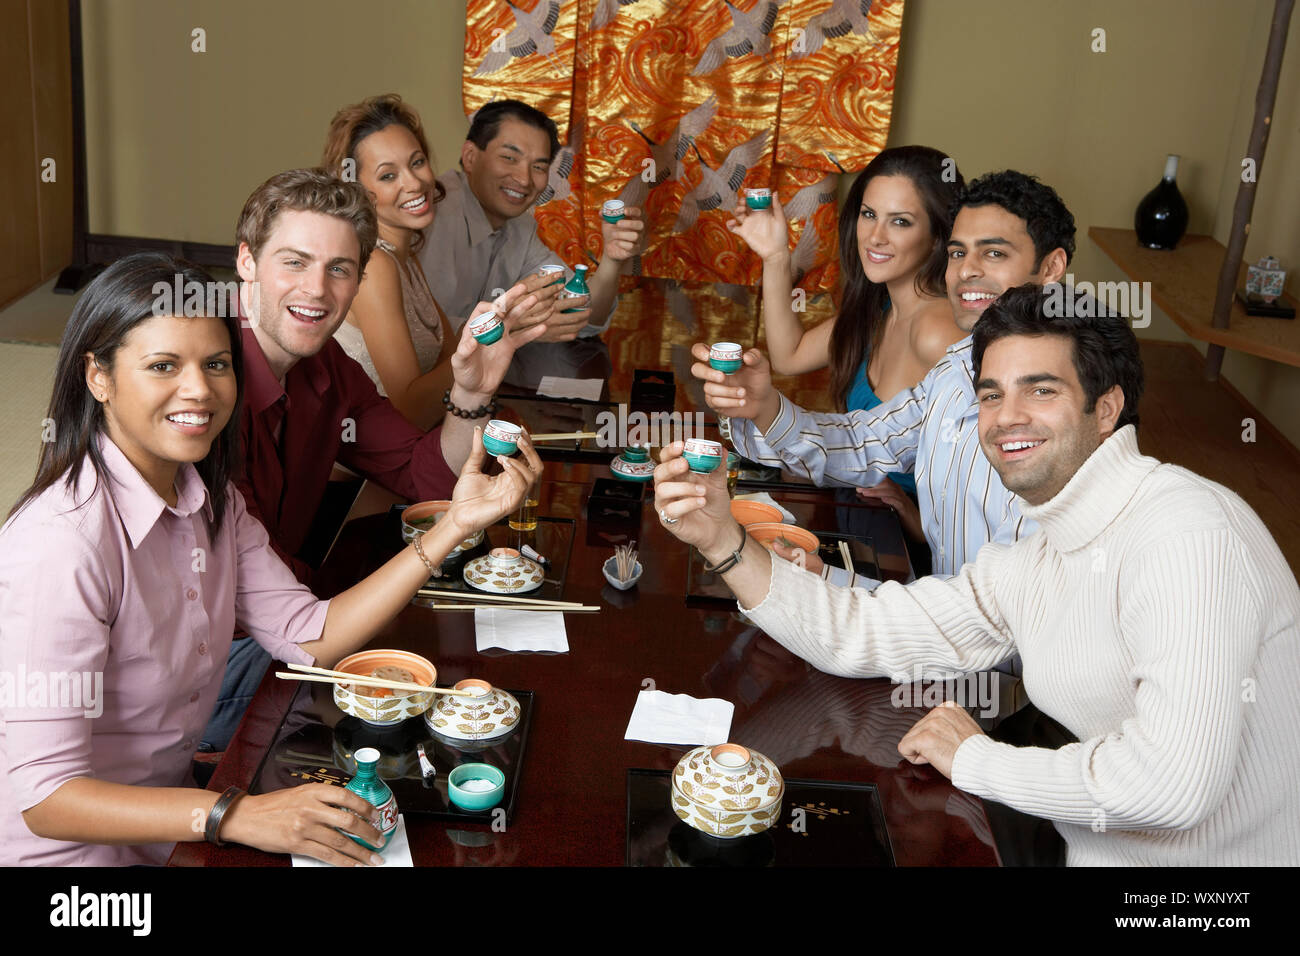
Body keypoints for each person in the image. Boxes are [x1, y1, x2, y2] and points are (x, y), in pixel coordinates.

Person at [655, 284, 1300, 865]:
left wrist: (977, 760)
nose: (1005, 416)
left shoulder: (1189, 533)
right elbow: (866, 632)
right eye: (990, 394)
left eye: (1040, 390)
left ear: (1107, 409)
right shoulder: (1040, 549)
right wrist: (721, 538)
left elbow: (1172, 786)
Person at [0, 252, 542, 866]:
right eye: (162, 366)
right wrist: (235, 813)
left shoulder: (210, 496)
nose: (199, 390)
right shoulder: (58, 543)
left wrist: (455, 524)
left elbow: (310, 638)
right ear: (97, 376)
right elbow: (46, 797)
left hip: (169, 826)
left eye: (216, 364)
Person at [206, 167, 548, 752]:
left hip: (298, 616)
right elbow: (295, 631)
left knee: (500, 692)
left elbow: (426, 475)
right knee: (445, 711)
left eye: (339, 269)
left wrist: (469, 394)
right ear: (246, 261)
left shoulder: (324, 362)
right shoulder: (203, 386)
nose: (316, 289)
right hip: (219, 660)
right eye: (293, 262)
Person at [696, 171, 1074, 587]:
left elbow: (989, 622)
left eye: (994, 254)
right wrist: (762, 405)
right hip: (932, 608)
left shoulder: (1061, 412)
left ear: (1051, 267)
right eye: (958, 253)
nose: (966, 271)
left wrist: (832, 584)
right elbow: (863, 444)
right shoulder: (957, 367)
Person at [726, 146, 966, 538]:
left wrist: (910, 513)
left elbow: (981, 495)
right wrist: (774, 257)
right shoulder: (882, 307)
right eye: (869, 215)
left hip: (904, 542)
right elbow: (789, 355)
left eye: (901, 222)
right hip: (856, 511)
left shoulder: (939, 331)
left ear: (939, 235)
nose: (875, 236)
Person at [321, 94, 560, 429]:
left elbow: (453, 358)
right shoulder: (374, 266)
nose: (415, 183)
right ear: (357, 189)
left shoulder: (405, 258)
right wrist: (500, 328)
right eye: (388, 176)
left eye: (417, 163)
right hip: (362, 467)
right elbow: (410, 410)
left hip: (418, 442)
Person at [417, 98, 646, 386]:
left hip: (471, 389)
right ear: (471, 157)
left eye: (538, 166)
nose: (524, 179)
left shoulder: (520, 226)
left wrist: (613, 259)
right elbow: (427, 342)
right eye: (509, 158)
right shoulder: (434, 214)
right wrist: (512, 326)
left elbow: (580, 314)